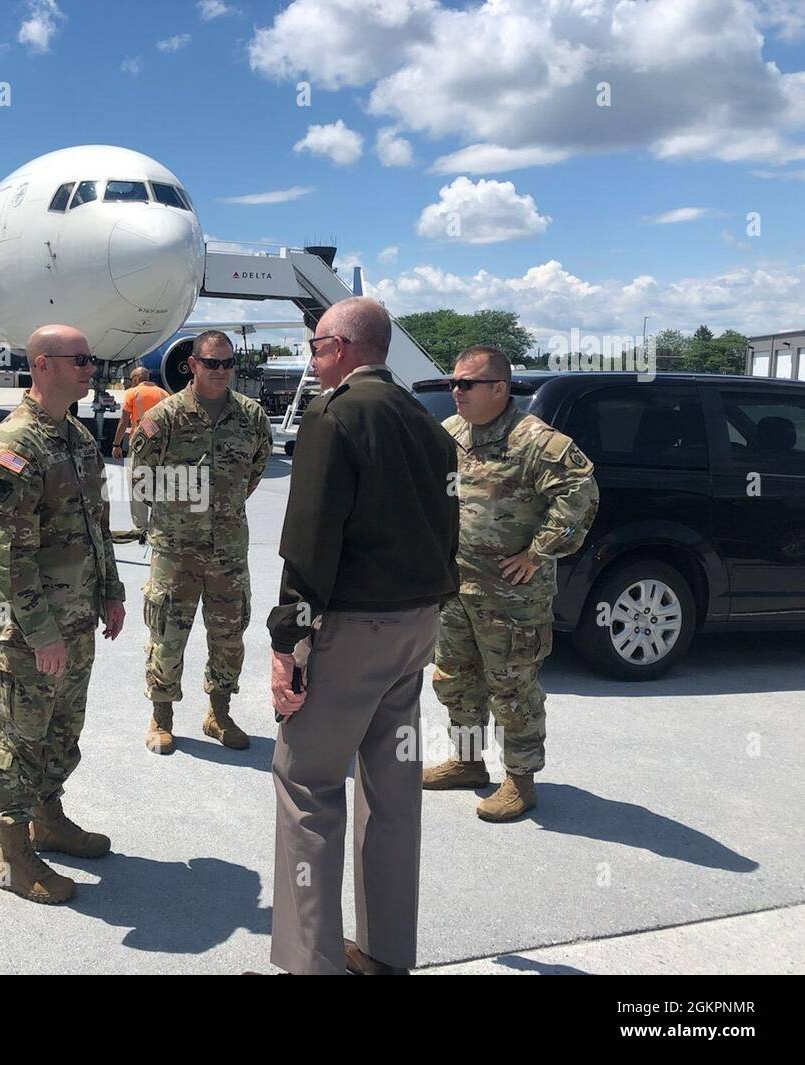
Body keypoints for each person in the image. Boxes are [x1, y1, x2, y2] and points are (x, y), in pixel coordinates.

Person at [267, 297, 459, 976]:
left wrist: (288, 639)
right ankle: (383, 954)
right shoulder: (428, 422)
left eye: (316, 346)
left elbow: (311, 534)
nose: (311, 359)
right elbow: (449, 526)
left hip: (351, 626)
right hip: (415, 628)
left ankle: (309, 964)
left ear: (345, 346)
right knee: (391, 793)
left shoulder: (334, 412)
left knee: (308, 786)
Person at [0, 325, 125, 905]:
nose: (92, 368)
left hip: (78, 618)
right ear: (43, 365)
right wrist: (40, 633)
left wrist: (110, 591)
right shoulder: (18, 445)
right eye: (80, 359)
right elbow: (7, 556)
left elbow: (97, 523)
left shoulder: (76, 437)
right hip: (35, 629)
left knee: (63, 730)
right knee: (20, 736)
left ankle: (48, 819)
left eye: (93, 358)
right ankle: (13, 855)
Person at [425, 345, 599, 821]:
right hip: (456, 587)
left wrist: (538, 552)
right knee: (454, 678)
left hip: (512, 596)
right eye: (452, 383)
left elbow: (580, 497)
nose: (455, 392)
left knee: (513, 686)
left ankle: (520, 780)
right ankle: (466, 761)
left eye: (466, 384)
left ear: (499, 388)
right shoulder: (452, 433)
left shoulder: (536, 442)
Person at [128, 331, 272, 754]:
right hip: (176, 552)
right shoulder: (164, 417)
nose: (222, 371)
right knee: (168, 635)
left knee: (229, 637)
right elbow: (141, 477)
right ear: (192, 365)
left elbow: (255, 470)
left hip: (228, 551)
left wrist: (221, 507)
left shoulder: (251, 417)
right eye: (212, 363)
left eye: (229, 364)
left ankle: (219, 713)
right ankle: (162, 715)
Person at [111, 365, 169, 536]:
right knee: (160, 484)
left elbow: (123, 421)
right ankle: (159, 525)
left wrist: (116, 444)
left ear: (136, 379)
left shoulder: (132, 392)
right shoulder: (164, 394)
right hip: (162, 446)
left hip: (140, 446)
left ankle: (141, 527)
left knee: (137, 486)